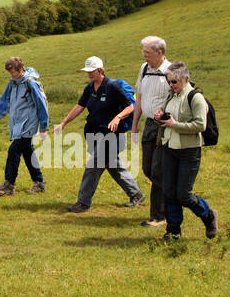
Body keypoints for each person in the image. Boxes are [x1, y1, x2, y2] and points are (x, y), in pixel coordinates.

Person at [53, 56, 144, 213]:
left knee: (93, 166)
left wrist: (117, 117)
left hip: (111, 135)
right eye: (87, 71)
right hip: (94, 134)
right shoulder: (89, 88)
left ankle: (83, 202)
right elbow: (79, 106)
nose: (88, 74)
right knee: (113, 166)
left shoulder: (113, 87)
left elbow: (130, 107)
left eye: (91, 71)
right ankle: (136, 194)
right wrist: (63, 122)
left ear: (101, 70)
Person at [155, 61, 218, 241]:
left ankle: (208, 215)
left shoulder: (195, 97)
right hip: (169, 147)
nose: (171, 85)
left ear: (184, 79)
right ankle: (173, 232)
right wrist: (162, 117)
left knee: (184, 195)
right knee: (169, 193)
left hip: (189, 151)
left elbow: (200, 124)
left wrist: (175, 125)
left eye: (174, 82)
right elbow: (171, 118)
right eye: (169, 82)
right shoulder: (172, 96)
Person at [0, 57, 49, 196]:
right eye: (10, 73)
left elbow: (41, 105)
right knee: (27, 152)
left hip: (29, 125)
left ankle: (9, 185)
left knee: (13, 150)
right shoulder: (12, 84)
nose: (12, 76)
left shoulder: (31, 84)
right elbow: (4, 103)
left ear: (21, 69)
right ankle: (39, 183)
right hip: (17, 125)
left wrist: (44, 127)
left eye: (14, 73)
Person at [130, 36, 172, 227]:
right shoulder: (144, 69)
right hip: (148, 124)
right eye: (143, 53)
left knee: (157, 170)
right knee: (148, 168)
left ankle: (159, 216)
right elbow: (139, 96)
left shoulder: (172, 71)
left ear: (159, 52)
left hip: (164, 127)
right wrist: (134, 123)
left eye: (147, 53)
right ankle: (171, 199)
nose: (144, 56)